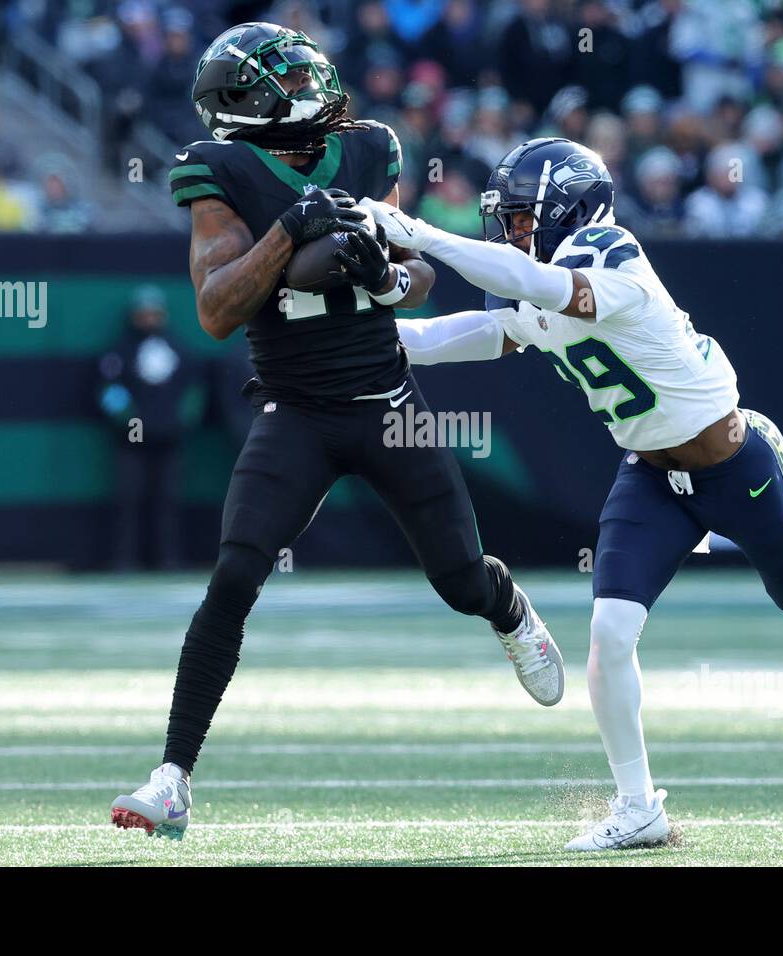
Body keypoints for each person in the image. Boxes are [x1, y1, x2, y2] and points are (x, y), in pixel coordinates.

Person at [362, 137, 783, 852]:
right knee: (609, 633)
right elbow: (479, 332)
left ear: (569, 210)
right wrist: (382, 339)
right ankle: (639, 807)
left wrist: (417, 234)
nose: (510, 234)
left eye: (522, 220)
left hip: (732, 461)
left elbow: (543, 291)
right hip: (652, 474)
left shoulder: (606, 252)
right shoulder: (547, 279)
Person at [110, 23, 563, 841]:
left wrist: (385, 274)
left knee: (461, 580)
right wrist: (291, 231)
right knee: (235, 575)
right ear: (250, 99)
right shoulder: (219, 171)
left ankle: (509, 611)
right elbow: (215, 309)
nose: (313, 78)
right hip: (296, 411)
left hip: (387, 400)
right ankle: (173, 778)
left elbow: (418, 270)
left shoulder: (369, 149)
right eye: (286, 73)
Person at [97, 284, 202, 571]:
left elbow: (193, 391)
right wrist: (131, 423)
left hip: (169, 441)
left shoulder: (180, 350)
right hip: (130, 443)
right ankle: (125, 559)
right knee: (128, 501)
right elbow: (109, 393)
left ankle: (168, 559)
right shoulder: (119, 352)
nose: (149, 319)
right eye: (144, 314)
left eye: (154, 313)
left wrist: (179, 422)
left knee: (168, 502)